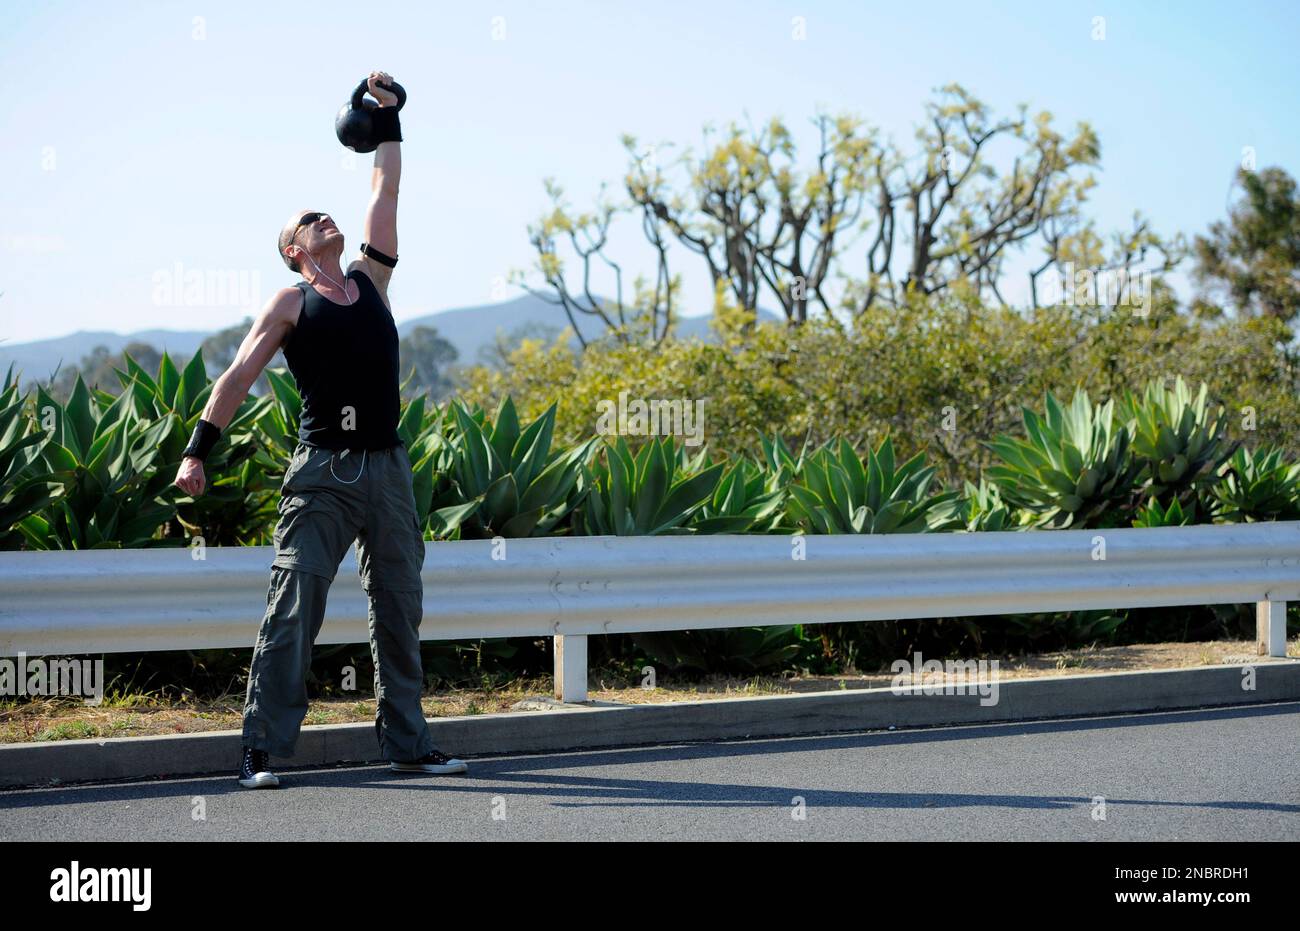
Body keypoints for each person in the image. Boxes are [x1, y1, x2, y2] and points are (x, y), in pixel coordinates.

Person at [172, 71, 467, 789]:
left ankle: (406, 740)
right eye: (309, 221)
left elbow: (385, 192)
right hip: (324, 474)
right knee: (294, 603)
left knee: (400, 606)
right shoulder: (291, 299)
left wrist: (389, 119)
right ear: (293, 251)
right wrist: (196, 451)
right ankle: (262, 748)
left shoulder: (370, 279)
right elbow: (237, 375)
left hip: (388, 469)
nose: (324, 220)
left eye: (325, 215)